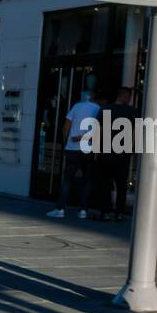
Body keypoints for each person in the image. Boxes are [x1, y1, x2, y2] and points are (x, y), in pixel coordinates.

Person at [48, 88, 102, 219]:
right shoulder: (99, 109)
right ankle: (83, 210)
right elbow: (99, 129)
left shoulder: (77, 106)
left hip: (73, 148)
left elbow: (66, 126)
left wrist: (66, 143)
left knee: (67, 179)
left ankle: (60, 209)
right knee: (87, 180)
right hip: (88, 149)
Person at [101, 86, 142, 221]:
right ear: (124, 96)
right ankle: (120, 212)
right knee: (121, 183)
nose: (129, 99)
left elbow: (99, 130)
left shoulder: (106, 109)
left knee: (106, 183)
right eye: (129, 97)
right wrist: (134, 148)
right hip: (123, 151)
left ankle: (105, 212)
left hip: (106, 150)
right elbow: (137, 131)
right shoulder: (133, 112)